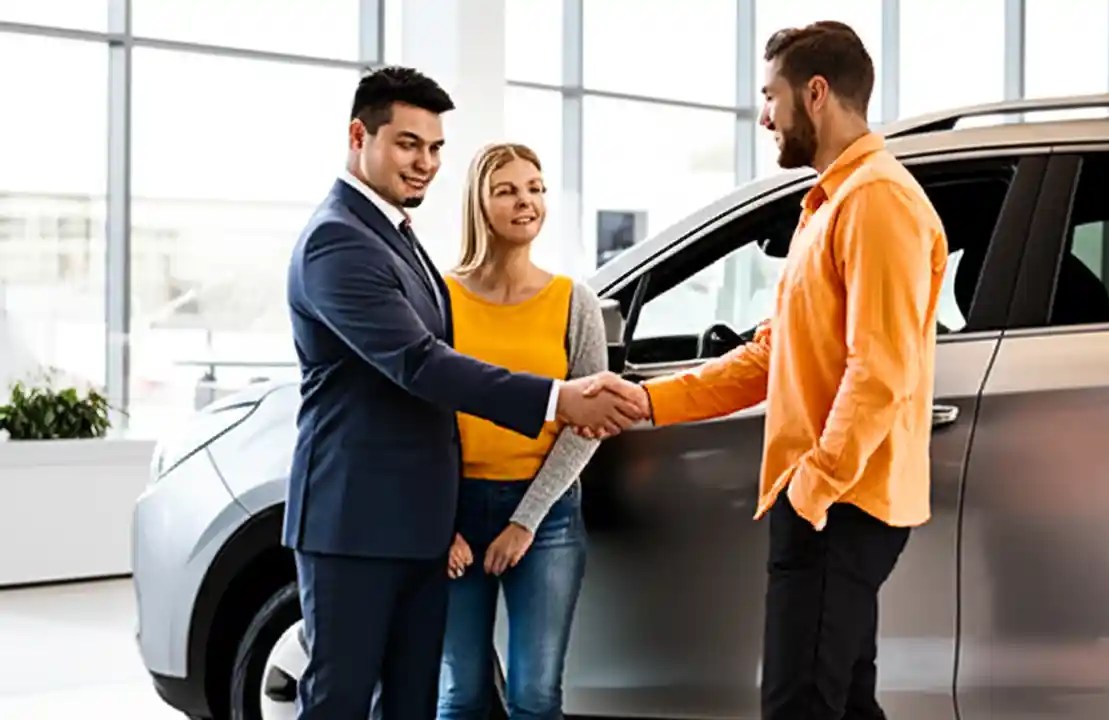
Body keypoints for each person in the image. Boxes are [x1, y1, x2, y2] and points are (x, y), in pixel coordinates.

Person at [585, 21, 948, 720]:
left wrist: (813, 486)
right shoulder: (831, 204)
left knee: (799, 705)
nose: (764, 116)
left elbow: (881, 368)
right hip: (830, 500)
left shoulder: (876, 200)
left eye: (769, 96)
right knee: (839, 702)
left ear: (814, 94)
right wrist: (646, 401)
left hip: (838, 504)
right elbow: (769, 356)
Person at [283, 67, 642, 720]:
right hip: (358, 524)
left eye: (435, 148)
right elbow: (422, 364)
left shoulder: (394, 236)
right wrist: (557, 399)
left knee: (416, 701)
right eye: (407, 144)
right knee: (341, 701)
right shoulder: (339, 239)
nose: (424, 163)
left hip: (417, 526)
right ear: (358, 136)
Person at [434, 142, 602, 720]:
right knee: (459, 695)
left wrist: (524, 521)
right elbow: (418, 412)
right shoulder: (440, 299)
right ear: (479, 203)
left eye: (535, 187)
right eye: (506, 190)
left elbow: (588, 423)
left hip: (546, 516)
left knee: (536, 696)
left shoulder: (574, 302)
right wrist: (441, 522)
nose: (525, 201)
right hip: (452, 513)